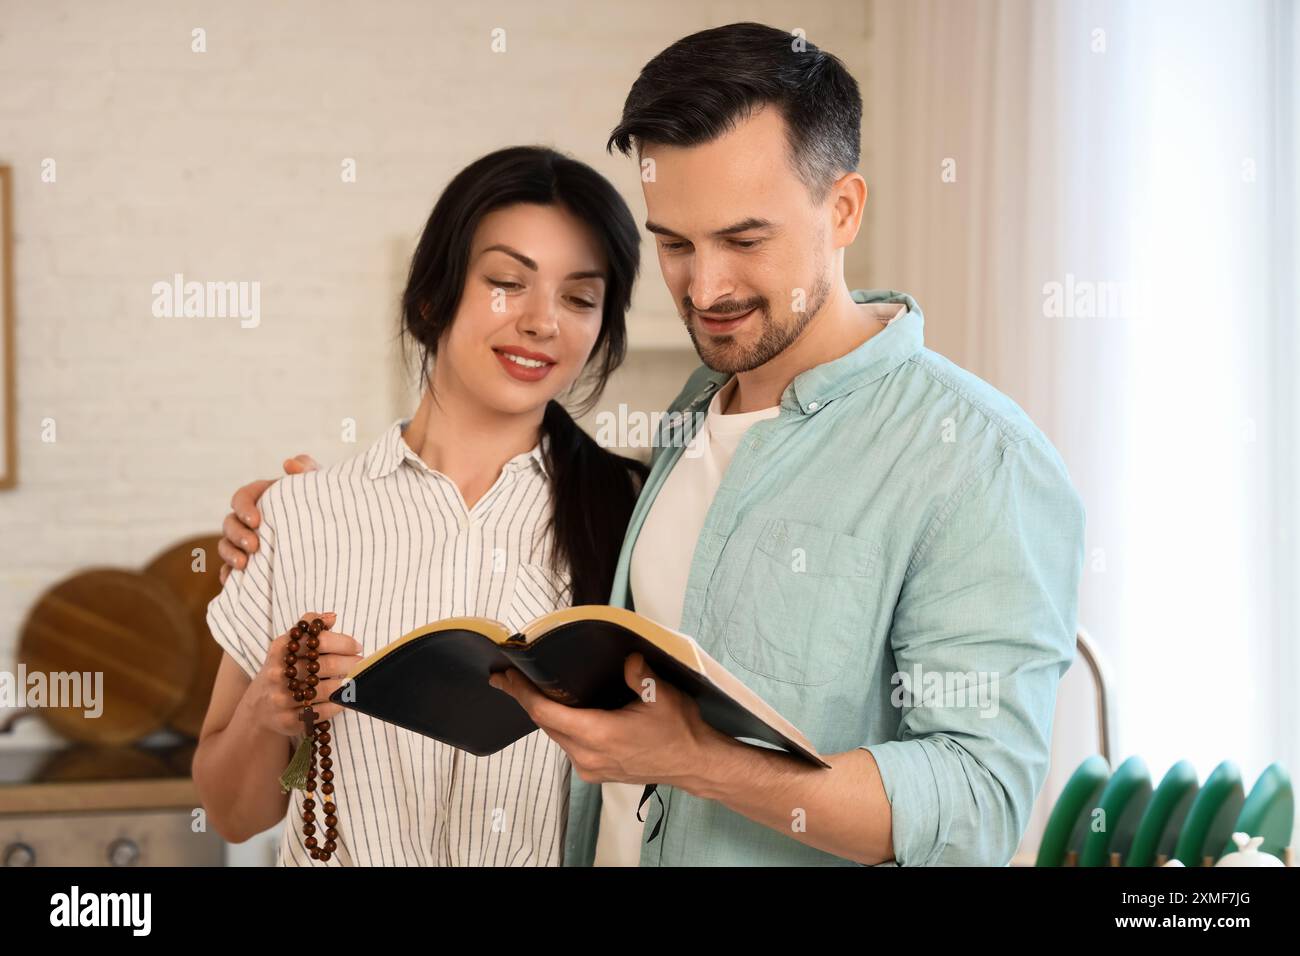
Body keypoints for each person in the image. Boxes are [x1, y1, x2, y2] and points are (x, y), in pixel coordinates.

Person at [221, 22, 1086, 867]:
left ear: (845, 208)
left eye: (745, 240)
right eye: (674, 244)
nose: (705, 289)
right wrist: (299, 511)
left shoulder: (979, 460)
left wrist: (697, 761)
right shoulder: (686, 424)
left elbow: (980, 804)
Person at [194, 145, 646, 865]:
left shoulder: (635, 519)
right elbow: (231, 814)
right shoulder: (298, 516)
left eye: (580, 298)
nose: (542, 322)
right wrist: (267, 707)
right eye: (507, 282)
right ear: (433, 295)